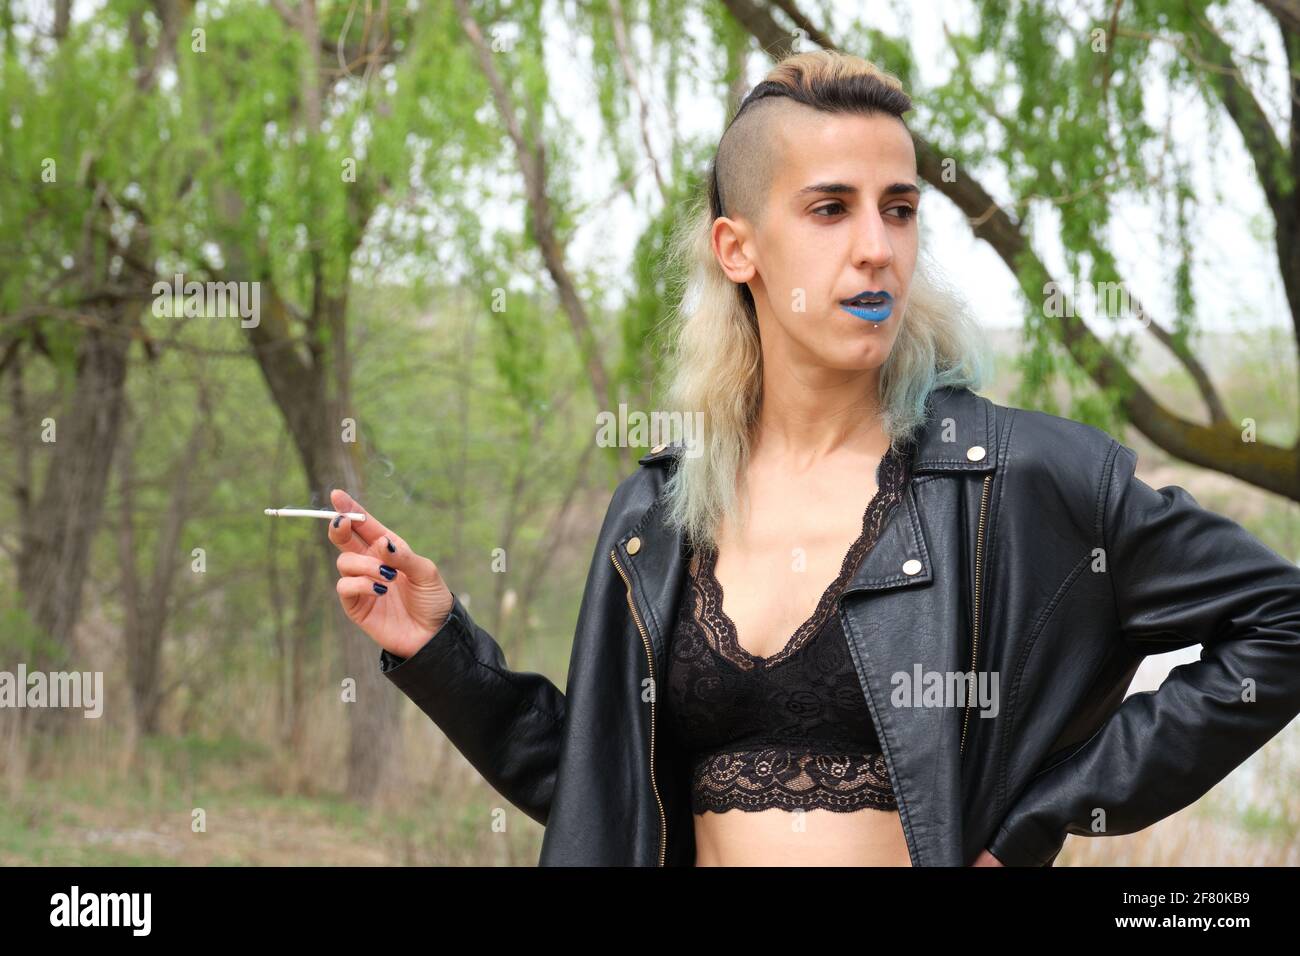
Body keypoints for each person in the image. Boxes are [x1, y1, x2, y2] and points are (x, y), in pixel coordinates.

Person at [327, 50, 1300, 866]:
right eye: (830, 209)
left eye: (900, 207)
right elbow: (605, 792)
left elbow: (1280, 620)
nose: (876, 248)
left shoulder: (1020, 478)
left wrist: (1040, 816)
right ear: (736, 248)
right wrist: (441, 652)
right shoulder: (658, 517)